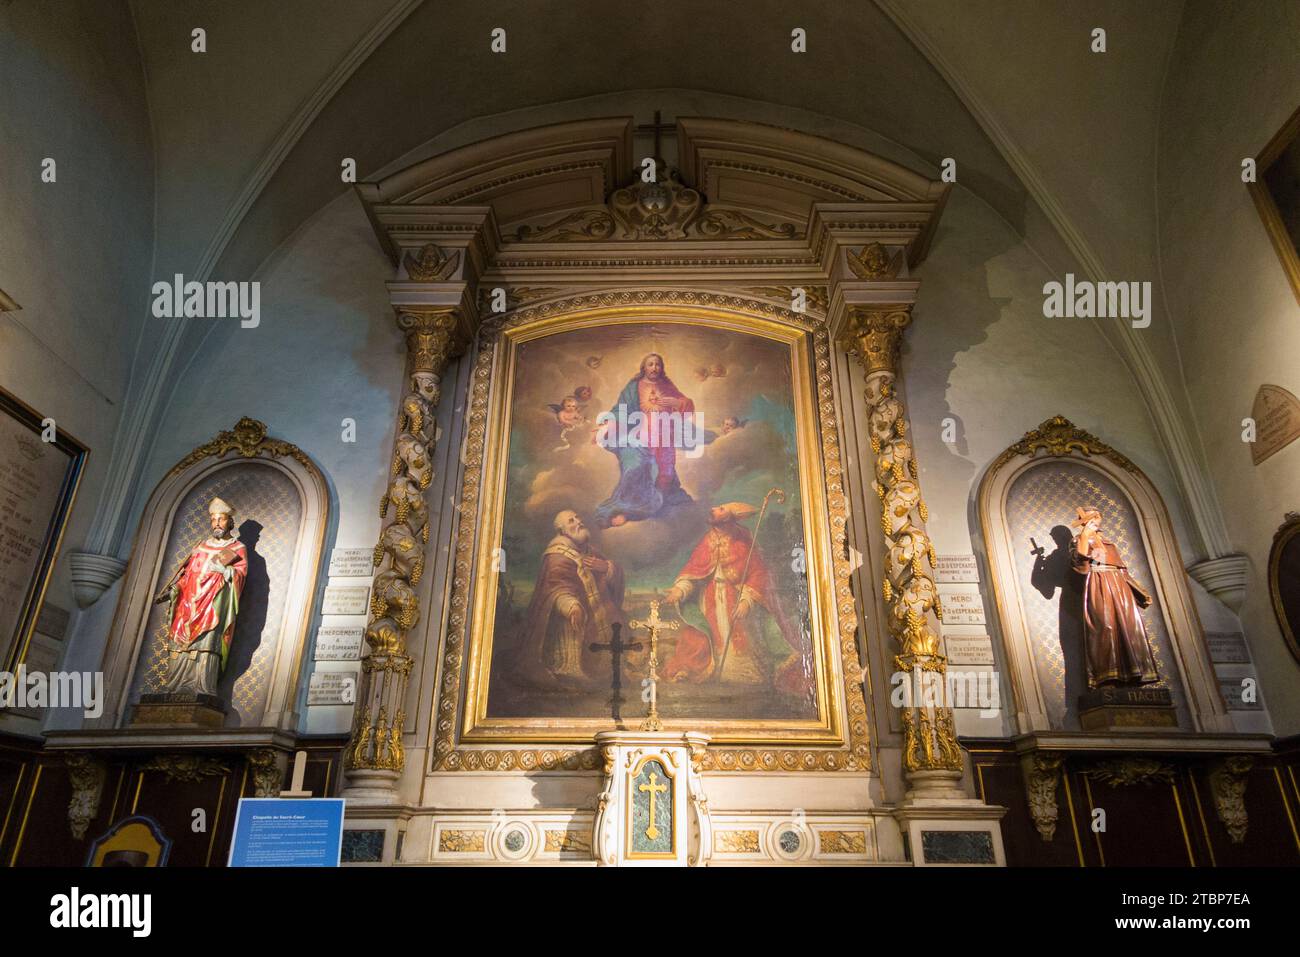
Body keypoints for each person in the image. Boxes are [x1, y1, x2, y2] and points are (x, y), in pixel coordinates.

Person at [661, 502, 807, 692]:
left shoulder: (744, 540)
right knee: (705, 634)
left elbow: (758, 572)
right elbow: (693, 572)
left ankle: (741, 675)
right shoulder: (707, 541)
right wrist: (679, 590)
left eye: (721, 509)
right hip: (710, 600)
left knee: (747, 638)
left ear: (731, 517)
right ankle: (713, 672)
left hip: (737, 599)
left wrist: (747, 600)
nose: (713, 509)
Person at [153, 497, 247, 697]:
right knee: (179, 640)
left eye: (221, 520)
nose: (217, 524)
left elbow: (240, 576)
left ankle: (202, 688)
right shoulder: (200, 547)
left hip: (213, 603)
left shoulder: (237, 548)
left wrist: (224, 570)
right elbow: (187, 576)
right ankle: (174, 686)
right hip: (188, 602)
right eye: (213, 520)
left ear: (230, 522)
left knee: (206, 642)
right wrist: (173, 591)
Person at [521, 509, 625, 681]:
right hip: (573, 620)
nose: (578, 522)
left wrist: (607, 568)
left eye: (578, 517)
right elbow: (555, 589)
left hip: (602, 620)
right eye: (571, 521)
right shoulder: (556, 557)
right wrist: (571, 606)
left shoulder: (590, 551)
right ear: (562, 531)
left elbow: (615, 578)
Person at [594, 353, 695, 527]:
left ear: (661, 368)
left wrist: (677, 403)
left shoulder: (666, 385)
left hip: (664, 436)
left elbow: (685, 403)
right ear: (644, 368)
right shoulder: (634, 386)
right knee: (638, 468)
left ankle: (658, 504)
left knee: (666, 473)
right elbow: (621, 409)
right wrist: (608, 424)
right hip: (639, 436)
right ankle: (627, 510)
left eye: (657, 364)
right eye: (650, 364)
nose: (654, 367)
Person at [1070, 506, 1159, 687]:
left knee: (1129, 627)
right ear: (1084, 520)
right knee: (1105, 627)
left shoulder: (1109, 544)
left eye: (1098, 516)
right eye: (1092, 517)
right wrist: (1085, 537)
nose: (1096, 519)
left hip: (1119, 586)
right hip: (1098, 584)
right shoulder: (1079, 540)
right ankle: (1108, 675)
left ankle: (1134, 673)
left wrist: (1139, 592)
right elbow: (1081, 566)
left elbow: (1123, 571)